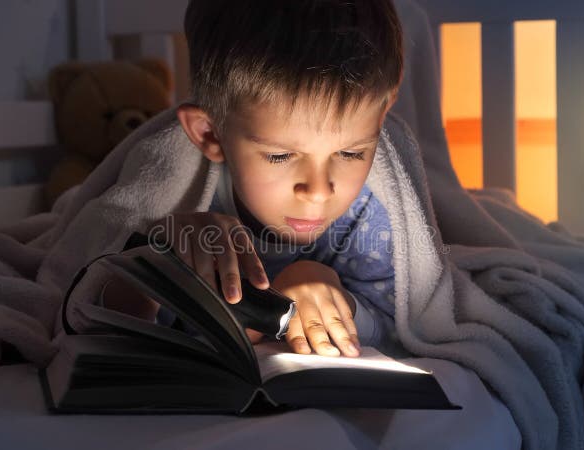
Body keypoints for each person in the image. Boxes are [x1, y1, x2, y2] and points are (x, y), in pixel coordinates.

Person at [106, 0, 406, 358]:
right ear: (210, 135)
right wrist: (152, 264)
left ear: (382, 115)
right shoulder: (178, 197)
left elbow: (409, 324)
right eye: (281, 155)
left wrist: (340, 300)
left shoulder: (369, 211)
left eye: (351, 153)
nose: (318, 190)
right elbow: (92, 306)